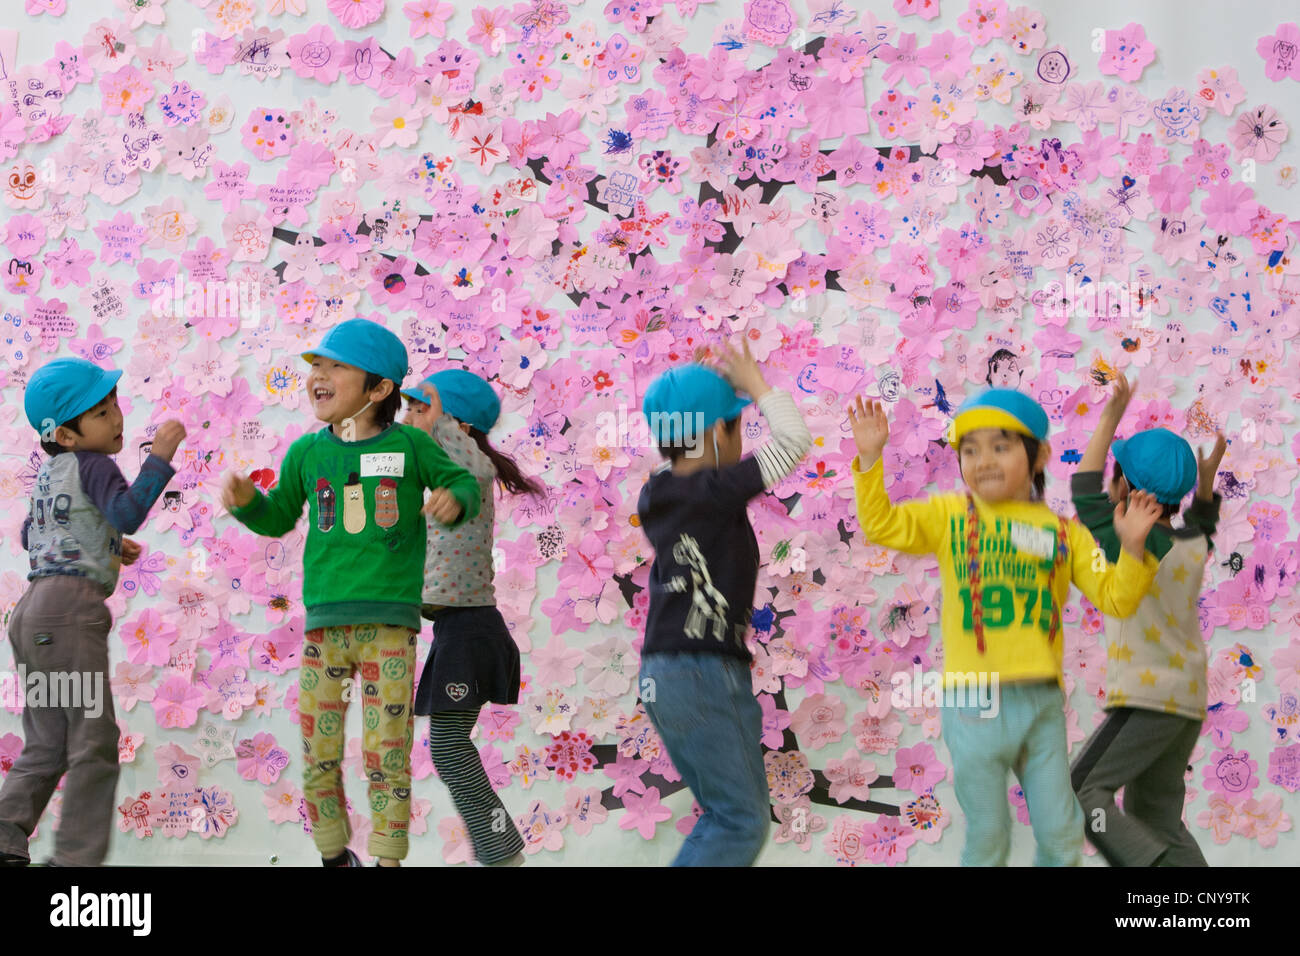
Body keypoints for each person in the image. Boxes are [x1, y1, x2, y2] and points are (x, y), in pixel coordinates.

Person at [848, 387, 1163, 866]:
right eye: (969, 450)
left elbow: (1116, 599)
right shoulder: (951, 515)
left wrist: (1135, 547)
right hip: (973, 697)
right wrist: (870, 459)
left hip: (1040, 701)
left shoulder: (1064, 533)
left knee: (1061, 833)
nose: (982, 460)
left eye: (1000, 446)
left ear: (1039, 456)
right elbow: (883, 526)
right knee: (989, 834)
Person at [221, 319, 480, 867]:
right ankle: (334, 854)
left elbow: (461, 483)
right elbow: (278, 518)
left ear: (379, 388)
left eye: (336, 366)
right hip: (323, 627)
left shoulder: (411, 443)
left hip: (389, 626)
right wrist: (248, 504)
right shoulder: (307, 453)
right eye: (316, 365)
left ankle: (388, 858)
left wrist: (455, 501)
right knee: (319, 750)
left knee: (388, 749)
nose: (318, 374)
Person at [0, 357, 185, 866]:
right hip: (70, 615)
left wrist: (103, 543)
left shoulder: (48, 475)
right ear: (66, 434)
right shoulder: (95, 465)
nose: (117, 417)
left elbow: (31, 535)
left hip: (32, 618)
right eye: (100, 413)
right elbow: (128, 512)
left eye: (114, 404)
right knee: (93, 739)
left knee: (47, 742)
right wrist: (160, 460)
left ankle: (4, 839)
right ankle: (75, 862)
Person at [637, 338, 812, 866]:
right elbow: (795, 440)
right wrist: (758, 386)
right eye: (739, 427)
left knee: (724, 814)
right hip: (702, 669)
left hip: (662, 673)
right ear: (717, 432)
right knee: (742, 819)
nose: (742, 440)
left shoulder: (658, 493)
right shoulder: (711, 489)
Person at [1068, 375, 1226, 866]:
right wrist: (1206, 482)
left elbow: (1081, 487)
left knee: (1080, 789)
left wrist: (1114, 410)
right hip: (1187, 701)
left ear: (1129, 492)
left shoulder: (1132, 541)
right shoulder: (1192, 546)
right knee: (1156, 817)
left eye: (1118, 475)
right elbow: (1202, 522)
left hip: (1148, 698)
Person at [401, 369, 542, 866]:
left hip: (471, 631)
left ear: (455, 426)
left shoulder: (470, 468)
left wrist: (435, 428)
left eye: (420, 408)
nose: (409, 417)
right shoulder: (446, 477)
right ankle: (500, 853)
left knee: (449, 748)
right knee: (449, 748)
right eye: (410, 408)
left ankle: (503, 855)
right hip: (457, 630)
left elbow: (476, 466)